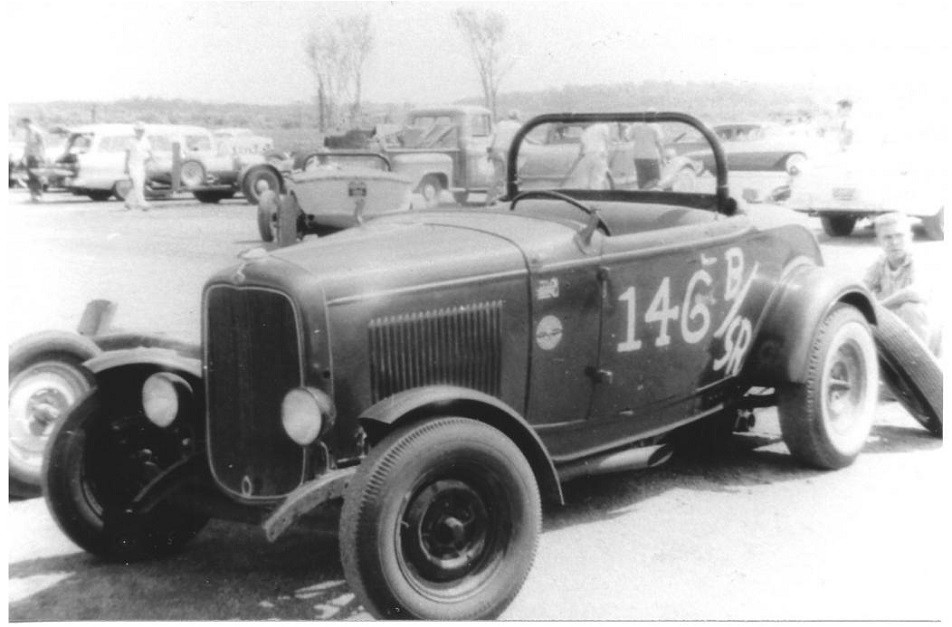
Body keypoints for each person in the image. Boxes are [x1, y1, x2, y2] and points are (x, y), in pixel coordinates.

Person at [864, 212, 940, 354]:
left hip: (926, 337)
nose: (894, 242)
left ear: (910, 237)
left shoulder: (918, 260)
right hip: (895, 329)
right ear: (878, 241)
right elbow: (861, 291)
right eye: (888, 237)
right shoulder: (879, 264)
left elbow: (916, 292)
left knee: (912, 309)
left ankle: (919, 366)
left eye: (899, 235)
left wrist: (877, 308)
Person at [485, 110, 522, 206]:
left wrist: (489, 152)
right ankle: (496, 200)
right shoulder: (518, 126)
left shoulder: (500, 124)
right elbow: (523, 140)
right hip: (506, 152)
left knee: (498, 176)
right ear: (517, 118)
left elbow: (493, 138)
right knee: (506, 177)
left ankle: (491, 199)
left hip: (495, 151)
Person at [564, 122, 611, 189]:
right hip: (599, 154)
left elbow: (581, 151)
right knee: (597, 179)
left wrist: (579, 157)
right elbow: (607, 141)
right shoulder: (602, 126)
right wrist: (606, 154)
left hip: (587, 156)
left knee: (587, 178)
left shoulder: (585, 133)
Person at [124, 122, 153, 211]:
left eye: (141, 130)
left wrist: (149, 162)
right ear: (135, 131)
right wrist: (126, 166)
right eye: (138, 130)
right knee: (138, 184)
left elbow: (150, 153)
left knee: (138, 185)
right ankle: (142, 203)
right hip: (132, 165)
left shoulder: (146, 140)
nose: (140, 132)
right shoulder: (130, 141)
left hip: (142, 165)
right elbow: (127, 155)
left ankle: (128, 202)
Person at [628, 121, 665, 189]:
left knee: (641, 181)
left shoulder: (635, 125)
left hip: (638, 157)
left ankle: (643, 193)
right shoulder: (655, 125)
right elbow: (659, 143)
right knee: (655, 181)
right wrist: (663, 157)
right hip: (652, 158)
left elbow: (628, 138)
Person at [19, 118, 46, 202]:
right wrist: (23, 157)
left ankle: (38, 195)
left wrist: (41, 156)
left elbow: (42, 144)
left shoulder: (35, 131)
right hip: (29, 157)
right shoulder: (27, 132)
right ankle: (33, 195)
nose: (22, 126)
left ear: (28, 123)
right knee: (30, 176)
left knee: (36, 176)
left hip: (36, 156)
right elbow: (27, 146)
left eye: (23, 123)